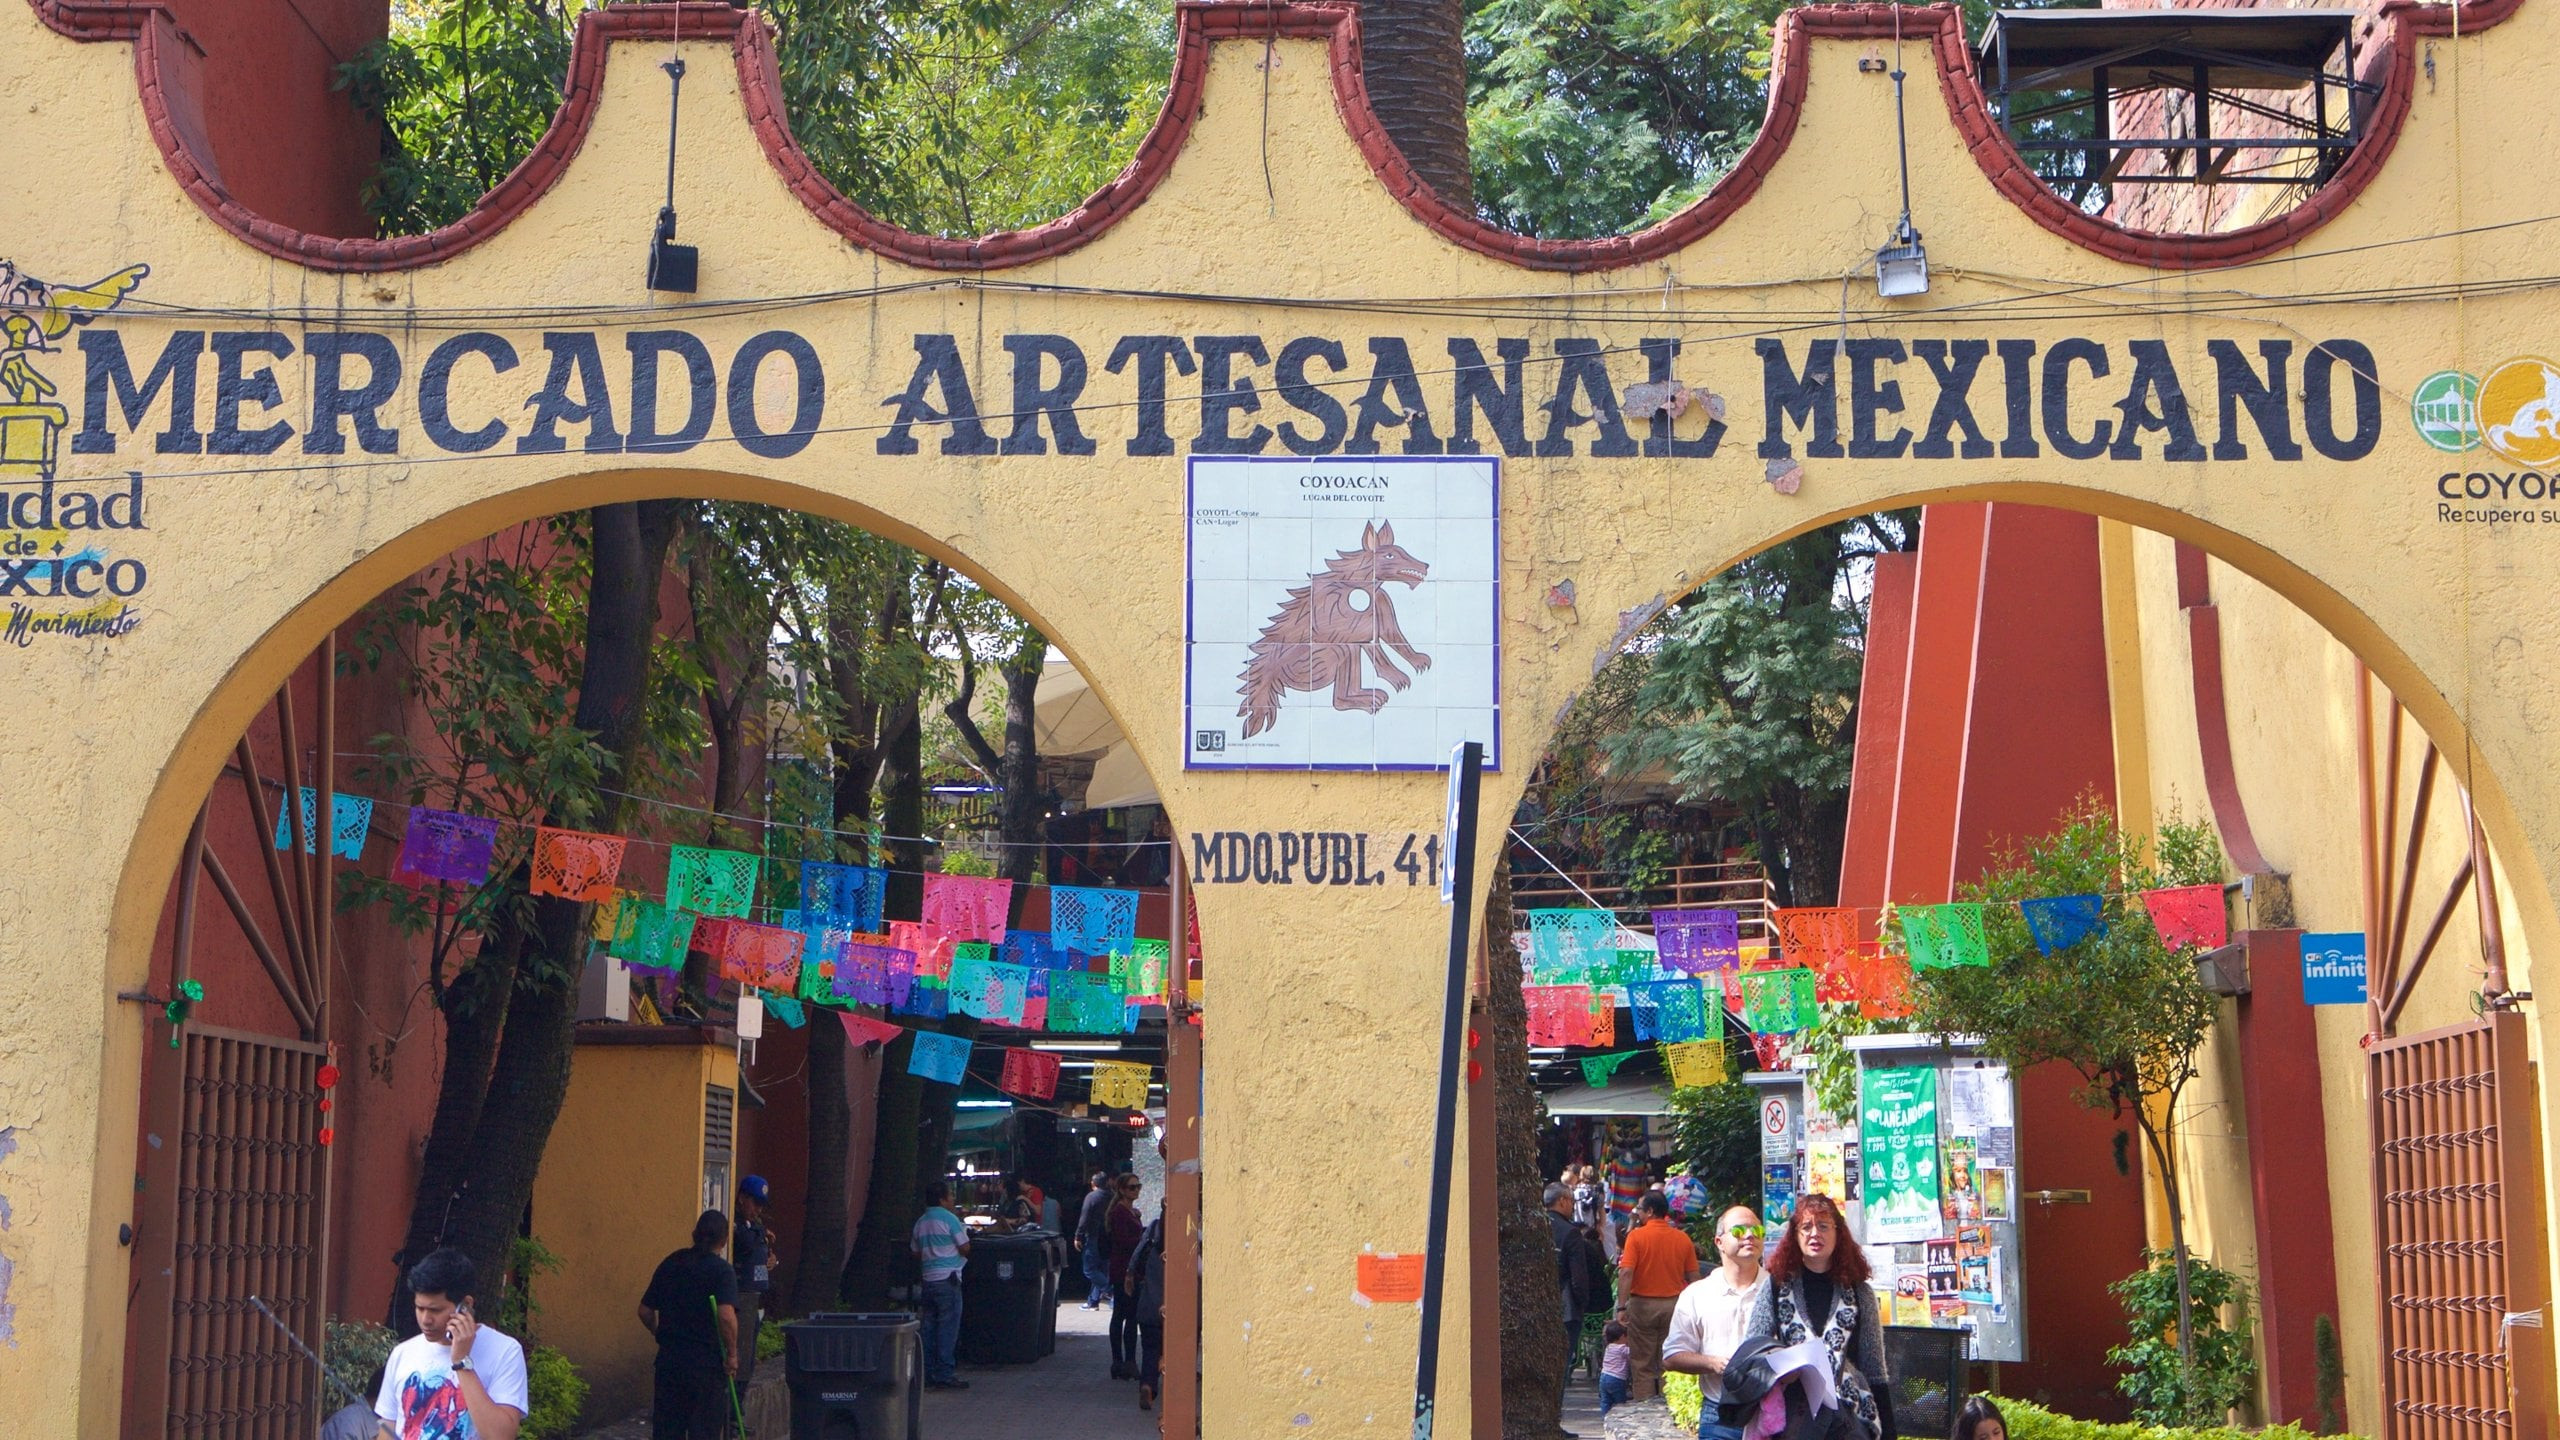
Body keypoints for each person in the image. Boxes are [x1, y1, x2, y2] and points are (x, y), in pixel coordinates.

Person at [1743, 1194, 1895, 1440]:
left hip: (1850, 1416)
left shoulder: (1859, 1291)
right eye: (1806, 1227)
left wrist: (1890, 1433)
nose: (1815, 1234)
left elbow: (1875, 1368)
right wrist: (1781, 1368)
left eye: (1823, 1226)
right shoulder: (1775, 1286)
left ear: (1838, 1233)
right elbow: (1752, 1351)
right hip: (1794, 1416)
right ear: (1795, 1235)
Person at [377, 1247, 531, 1440]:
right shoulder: (403, 1353)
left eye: (435, 1310)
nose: (425, 1320)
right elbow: (388, 1427)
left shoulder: (505, 1351)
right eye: (420, 1308)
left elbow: (501, 1436)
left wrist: (462, 1362)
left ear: (465, 1305)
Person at [1665, 1205, 1772, 1440]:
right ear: (1719, 1242)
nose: (1750, 1235)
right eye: (1738, 1231)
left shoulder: (1780, 1290)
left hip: (1772, 1413)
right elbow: (1672, 1355)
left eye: (1757, 1230)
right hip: (1719, 1414)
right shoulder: (1698, 1294)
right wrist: (1714, 1364)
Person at [641, 1210, 743, 1439]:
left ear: (694, 1234)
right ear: (724, 1240)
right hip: (705, 1368)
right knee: (703, 1432)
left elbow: (645, 1310)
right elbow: (726, 1316)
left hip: (669, 1363)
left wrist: (658, 1332)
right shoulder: (722, 1271)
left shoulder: (671, 1262)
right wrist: (733, 1355)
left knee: (667, 1431)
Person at [1616, 1190, 1701, 1401]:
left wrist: (1621, 1306)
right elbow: (1694, 1277)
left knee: (1642, 1362)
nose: (1638, 1214)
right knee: (1670, 1359)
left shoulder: (1636, 1236)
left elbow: (1626, 1272)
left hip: (1642, 1305)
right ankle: (1670, 1404)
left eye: (1640, 1210)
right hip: (1674, 1306)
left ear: (1651, 1211)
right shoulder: (1682, 1238)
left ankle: (1644, 1408)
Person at [913, 1181, 972, 1390]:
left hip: (928, 1279)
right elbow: (965, 1247)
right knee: (948, 1329)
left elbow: (915, 1251)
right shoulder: (950, 1219)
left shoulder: (921, 1222)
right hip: (948, 1279)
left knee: (928, 1328)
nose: (953, 1199)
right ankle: (945, 1374)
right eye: (951, 1196)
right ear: (942, 1198)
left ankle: (927, 1373)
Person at [731, 1175, 776, 1396]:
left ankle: (740, 1403)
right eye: (754, 1203)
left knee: (749, 1357)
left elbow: (764, 1254)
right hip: (742, 1296)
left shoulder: (756, 1227)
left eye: (761, 1205)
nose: (757, 1209)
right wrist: (761, 1234)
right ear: (742, 1198)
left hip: (757, 1297)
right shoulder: (739, 1225)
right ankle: (733, 1407)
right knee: (740, 1355)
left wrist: (772, 1260)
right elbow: (746, 1244)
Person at [1545, 1181, 1592, 1377]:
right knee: (1560, 1368)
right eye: (1572, 1201)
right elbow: (1578, 1275)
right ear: (1563, 1201)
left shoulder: (1535, 1224)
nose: (1573, 1206)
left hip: (1537, 1305)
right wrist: (1582, 1303)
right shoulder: (1569, 1232)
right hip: (1566, 1308)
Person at [1105, 1173, 1148, 1380]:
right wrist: (1142, 1240)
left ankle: (1121, 1362)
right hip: (1125, 1271)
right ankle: (1125, 1361)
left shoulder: (1129, 1212)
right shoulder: (1120, 1213)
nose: (1136, 1190)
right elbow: (1124, 1241)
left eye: (1138, 1186)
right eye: (1132, 1187)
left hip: (1128, 1269)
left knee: (1124, 1315)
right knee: (1128, 1316)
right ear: (1122, 1189)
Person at [1128, 1205, 1168, 1411]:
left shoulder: (1152, 1233)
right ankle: (1173, 1397)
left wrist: (1129, 1274)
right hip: (1173, 1310)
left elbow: (1136, 1255)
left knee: (1150, 1350)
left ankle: (1147, 1385)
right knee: (1171, 1352)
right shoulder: (1187, 1241)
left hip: (1149, 1306)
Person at [1077, 1171, 1115, 1308]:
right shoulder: (1113, 1196)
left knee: (1090, 1269)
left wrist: (1078, 1236)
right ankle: (1093, 1301)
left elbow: (1084, 1217)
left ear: (1093, 1183)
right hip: (1109, 1237)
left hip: (1093, 1236)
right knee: (1102, 1269)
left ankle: (1112, 1291)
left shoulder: (1092, 1197)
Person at [1597, 1320, 1633, 1416]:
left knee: (1605, 1401)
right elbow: (1634, 1354)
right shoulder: (1622, 1348)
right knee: (1620, 1401)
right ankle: (1620, 1417)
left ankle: (1605, 1417)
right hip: (1617, 1379)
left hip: (1604, 1377)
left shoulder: (1609, 1347)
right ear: (1622, 1337)